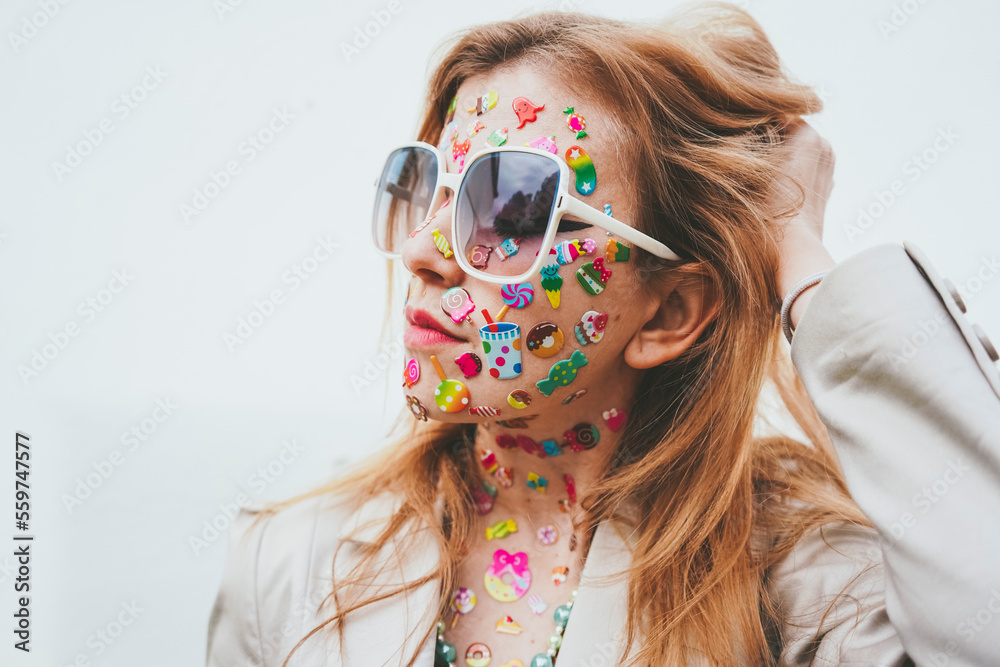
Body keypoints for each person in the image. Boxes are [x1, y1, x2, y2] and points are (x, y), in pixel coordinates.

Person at [205, 4, 1000, 666]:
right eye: (429, 189)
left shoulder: (808, 587)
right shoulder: (288, 566)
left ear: (668, 314)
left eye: (511, 212)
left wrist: (801, 261)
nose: (422, 252)